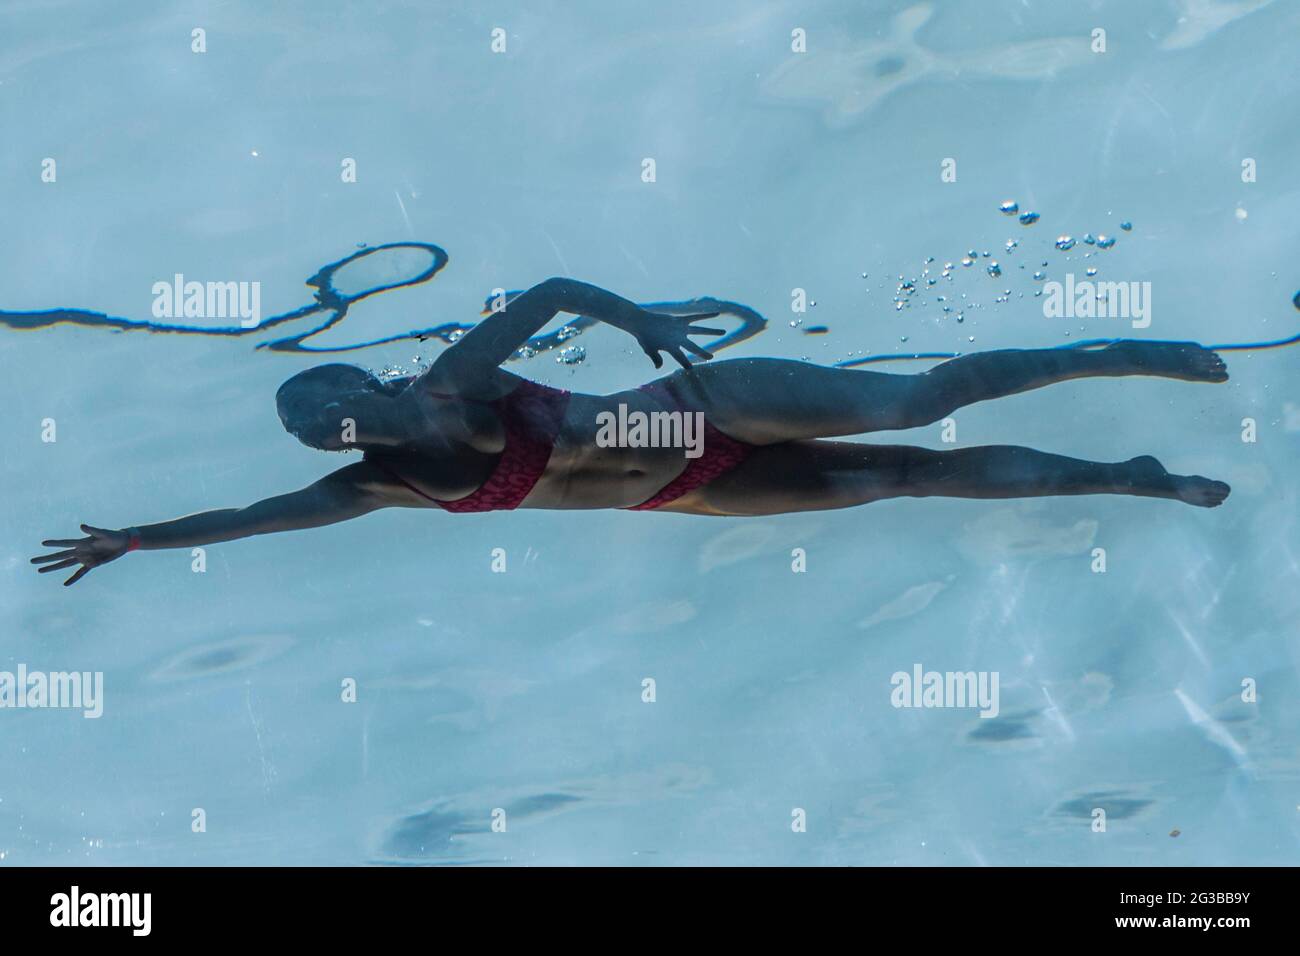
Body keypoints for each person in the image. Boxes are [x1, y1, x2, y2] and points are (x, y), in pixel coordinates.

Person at [33, 277, 1230, 586]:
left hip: (699, 412)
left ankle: (1104, 350)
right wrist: (134, 540)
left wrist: (640, 315)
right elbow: (247, 519)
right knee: (915, 480)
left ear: (385, 386)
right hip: (687, 492)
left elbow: (548, 295)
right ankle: (1125, 476)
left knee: (917, 404)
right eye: (335, 430)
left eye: (355, 400)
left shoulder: (450, 385)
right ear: (341, 443)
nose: (357, 425)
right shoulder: (377, 486)